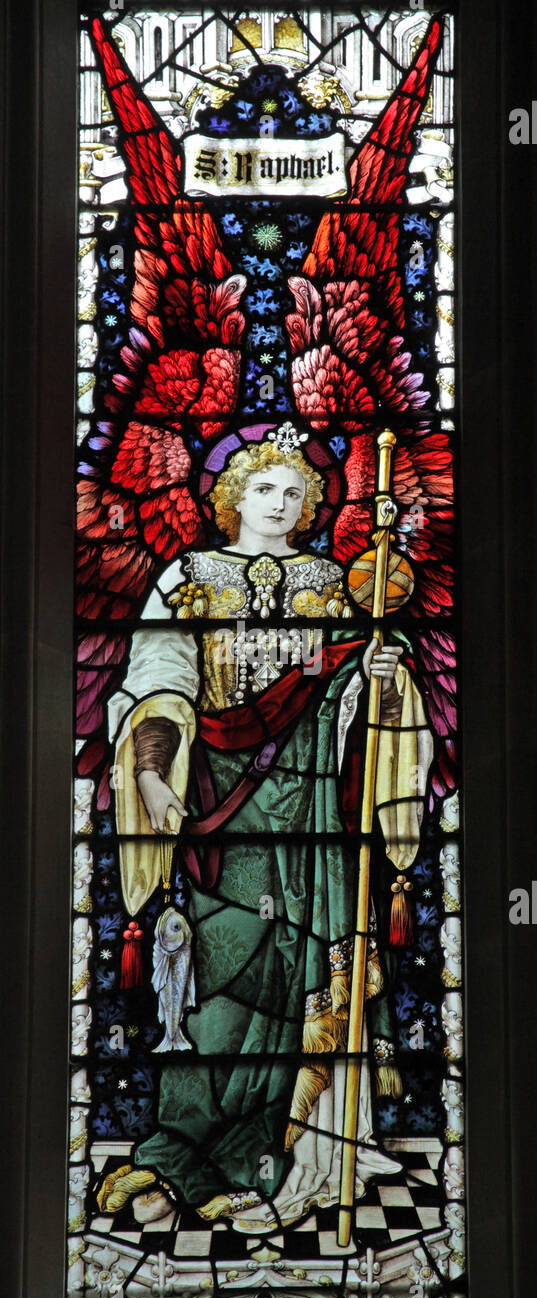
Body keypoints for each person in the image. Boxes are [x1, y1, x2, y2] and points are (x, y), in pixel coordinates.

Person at [98, 423, 433, 1234]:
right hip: (216, 798)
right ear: (230, 497)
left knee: (292, 977)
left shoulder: (328, 580)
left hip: (309, 799)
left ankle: (258, 1155)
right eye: (263, 488)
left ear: (310, 506)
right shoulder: (190, 576)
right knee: (210, 986)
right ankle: (178, 1146)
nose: (279, 504)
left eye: (294, 493)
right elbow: (159, 679)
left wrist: (376, 676)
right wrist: (149, 770)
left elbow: (340, 686)